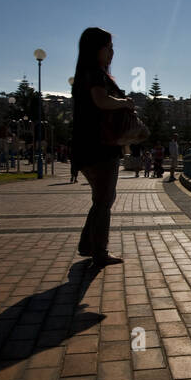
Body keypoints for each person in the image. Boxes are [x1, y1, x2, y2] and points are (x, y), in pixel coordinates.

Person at [71, 27, 136, 269]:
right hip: (100, 147)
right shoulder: (96, 75)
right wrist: (125, 102)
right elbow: (101, 101)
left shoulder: (83, 75)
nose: (112, 53)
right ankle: (98, 251)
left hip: (86, 147)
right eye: (108, 47)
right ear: (95, 48)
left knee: (101, 199)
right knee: (104, 199)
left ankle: (88, 245)